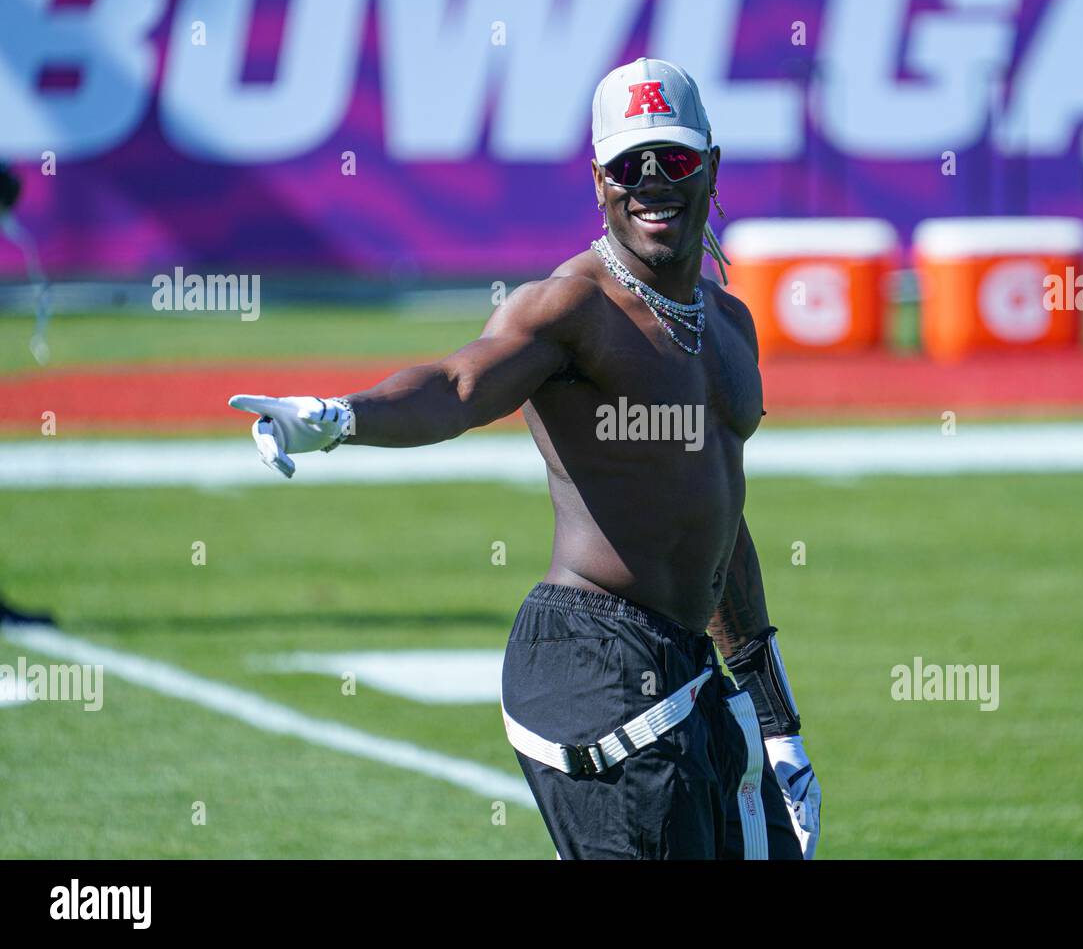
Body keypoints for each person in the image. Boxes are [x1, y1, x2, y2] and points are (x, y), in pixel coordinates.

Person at [229, 58, 820, 860]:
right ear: (598, 181)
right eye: (628, 165)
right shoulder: (572, 305)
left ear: (712, 165)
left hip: (688, 659)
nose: (652, 182)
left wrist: (776, 717)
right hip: (592, 653)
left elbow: (718, 518)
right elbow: (457, 384)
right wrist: (338, 418)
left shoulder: (728, 324)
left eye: (674, 160)